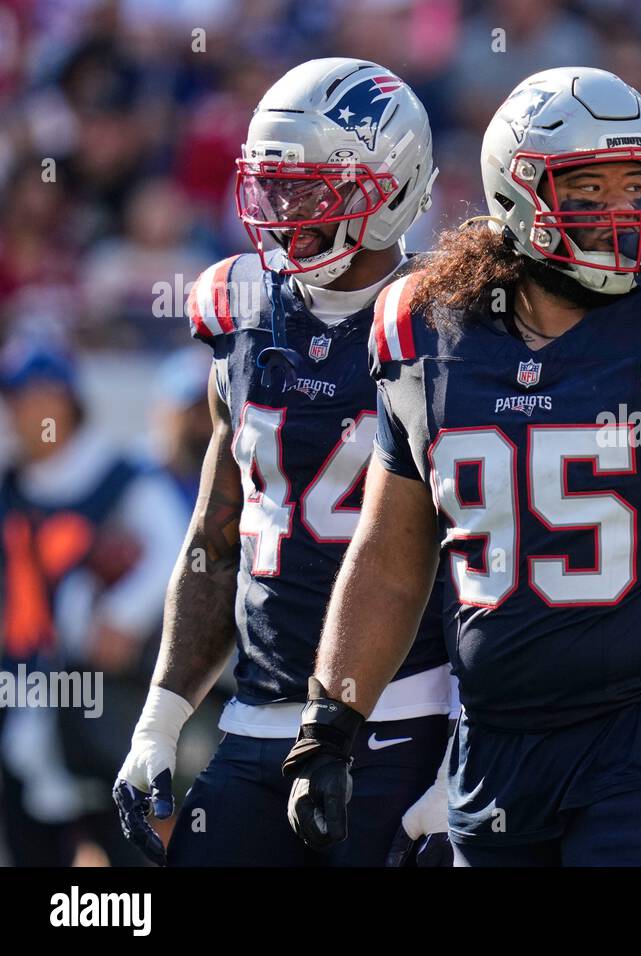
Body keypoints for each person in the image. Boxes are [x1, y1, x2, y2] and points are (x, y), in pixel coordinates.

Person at [281, 67, 641, 867]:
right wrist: (330, 723)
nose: (620, 208)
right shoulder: (426, 335)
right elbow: (391, 556)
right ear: (517, 193)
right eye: (586, 187)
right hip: (495, 749)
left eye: (635, 181)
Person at [112, 58, 454, 866]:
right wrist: (163, 717)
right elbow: (218, 534)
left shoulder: (449, 323)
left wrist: (468, 746)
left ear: (391, 188)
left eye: (311, 190)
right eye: (274, 187)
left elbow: (491, 561)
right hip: (255, 718)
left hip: (399, 719)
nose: (283, 214)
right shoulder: (239, 307)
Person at [0, 343, 188, 866]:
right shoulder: (12, 485)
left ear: (69, 402)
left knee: (128, 843)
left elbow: (176, 551)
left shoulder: (118, 477)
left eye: (45, 397)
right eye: (20, 399)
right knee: (30, 837)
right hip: (21, 686)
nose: (33, 413)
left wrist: (121, 615)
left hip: (101, 694)